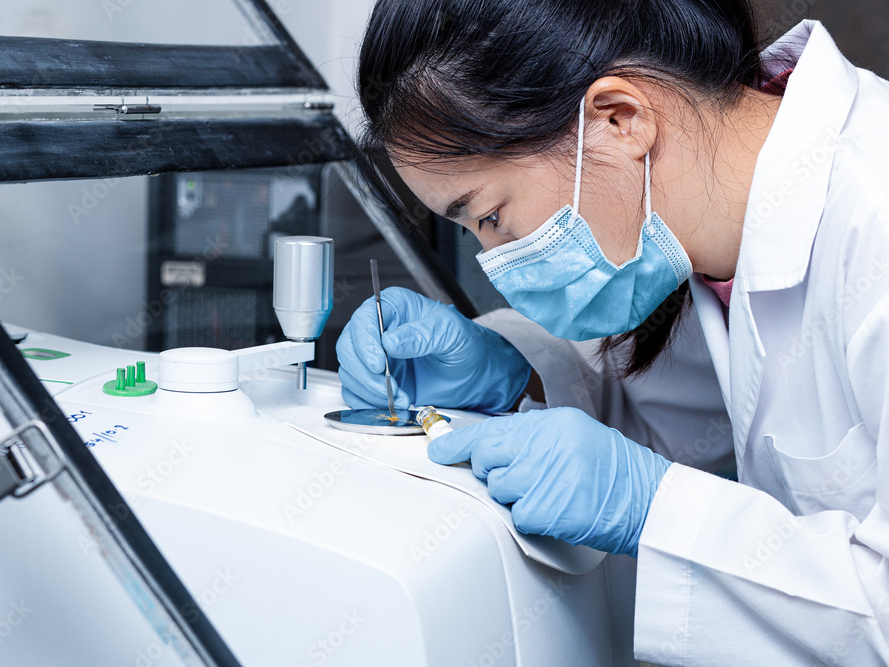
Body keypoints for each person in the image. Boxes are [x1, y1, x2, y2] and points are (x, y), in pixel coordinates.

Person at [335, 0, 889, 664]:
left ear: (620, 119)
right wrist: (514, 372)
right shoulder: (718, 236)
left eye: (490, 216)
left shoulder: (874, 218)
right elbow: (675, 413)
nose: (496, 260)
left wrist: (650, 509)